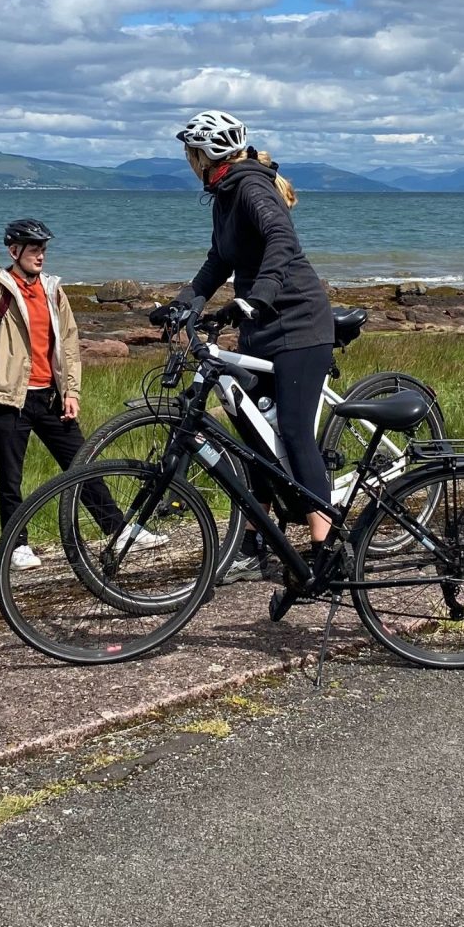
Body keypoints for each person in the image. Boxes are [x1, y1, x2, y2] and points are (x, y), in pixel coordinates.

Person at [165, 110, 337, 595]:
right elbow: (220, 259)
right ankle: (258, 544)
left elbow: (282, 240)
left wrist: (258, 295)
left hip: (298, 324)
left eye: (189, 154)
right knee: (254, 441)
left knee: (296, 435)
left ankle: (323, 554)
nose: (187, 161)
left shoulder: (251, 187)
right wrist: (183, 303)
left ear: (206, 156)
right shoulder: (224, 194)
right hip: (261, 328)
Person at [0, 219, 153, 568]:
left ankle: (117, 528)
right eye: (34, 249)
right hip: (11, 398)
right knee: (10, 477)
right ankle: (16, 546)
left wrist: (71, 392)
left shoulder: (53, 291)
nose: (41, 256)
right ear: (14, 251)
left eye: (43, 249)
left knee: (82, 465)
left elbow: (68, 343)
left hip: (50, 397)